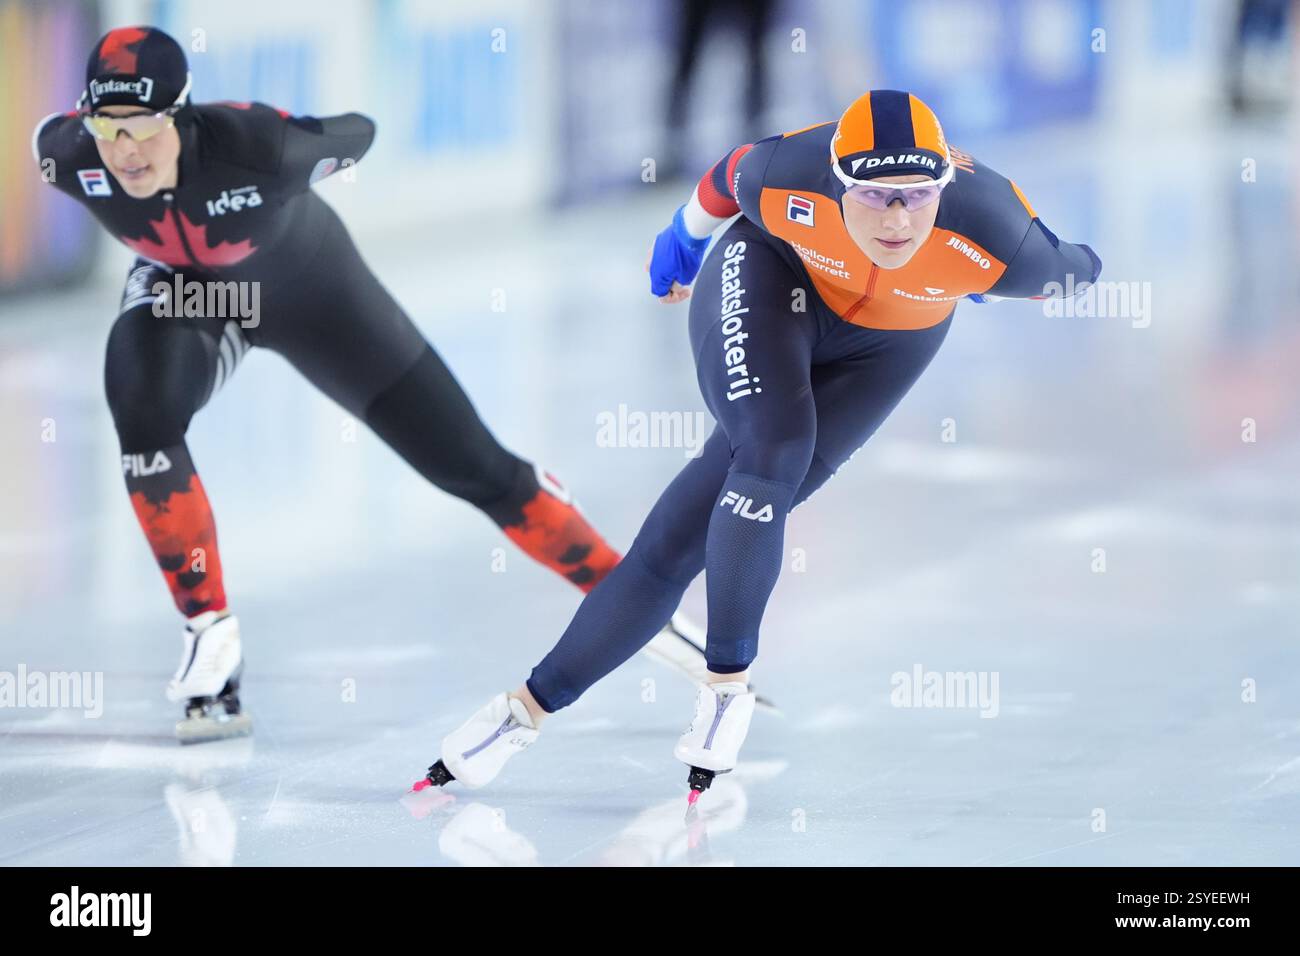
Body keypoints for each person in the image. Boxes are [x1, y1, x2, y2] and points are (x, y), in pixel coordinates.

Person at [33, 26, 717, 743]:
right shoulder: (65, 152)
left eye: (142, 126)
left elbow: (358, 133)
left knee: (476, 469)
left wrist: (304, 158)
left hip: (313, 295)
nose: (125, 150)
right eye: (107, 127)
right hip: (196, 299)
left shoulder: (257, 148)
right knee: (142, 410)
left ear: (180, 113)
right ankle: (210, 632)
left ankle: (632, 595)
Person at [416, 89, 1102, 799]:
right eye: (871, 195)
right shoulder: (786, 170)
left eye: (917, 195)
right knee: (776, 449)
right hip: (771, 279)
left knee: (688, 538)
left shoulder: (1002, 239)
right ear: (836, 183)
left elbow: (1080, 271)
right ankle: (727, 687)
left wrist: (1018, 279)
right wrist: (684, 237)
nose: (897, 219)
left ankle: (520, 713)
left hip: (891, 346)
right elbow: (725, 176)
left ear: (944, 187)